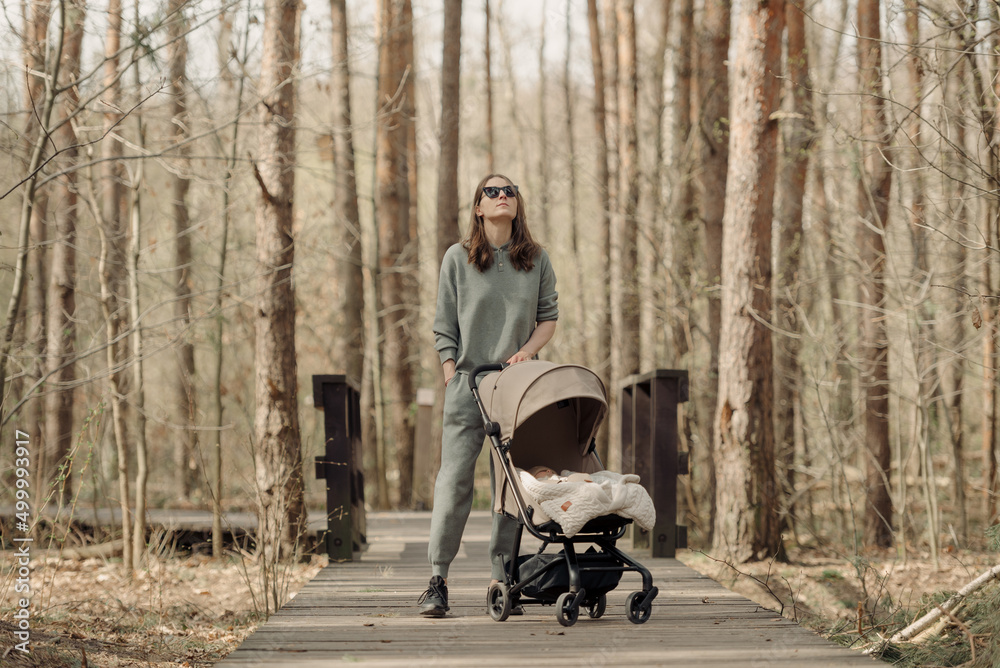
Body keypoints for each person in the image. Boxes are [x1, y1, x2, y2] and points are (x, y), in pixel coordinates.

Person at [418, 174, 558, 617]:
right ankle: (437, 580)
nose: (501, 196)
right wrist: (450, 373)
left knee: (510, 485)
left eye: (509, 191)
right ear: (478, 207)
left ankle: (503, 579)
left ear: (517, 204)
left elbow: (548, 318)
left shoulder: (536, 259)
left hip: (515, 387)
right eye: (491, 192)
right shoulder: (457, 258)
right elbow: (444, 324)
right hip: (467, 385)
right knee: (454, 480)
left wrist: (526, 353)